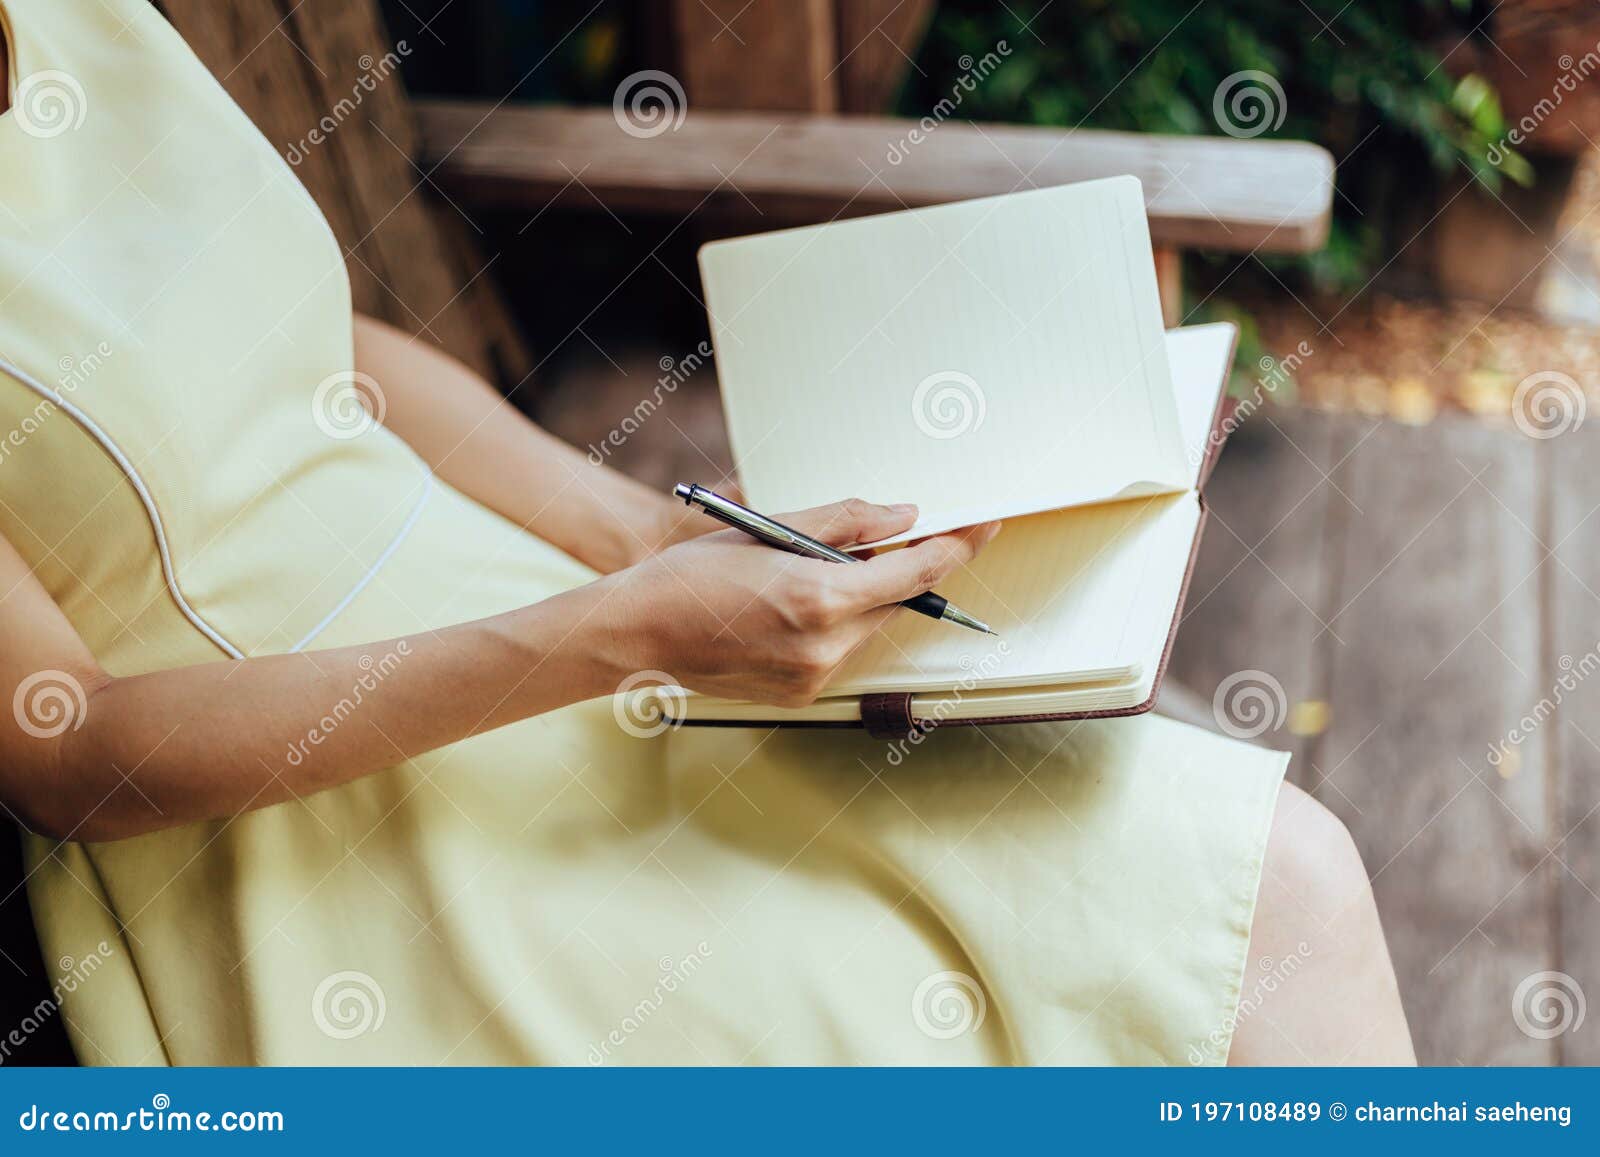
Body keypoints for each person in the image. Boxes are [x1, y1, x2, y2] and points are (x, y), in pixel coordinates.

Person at [0, 0, 1412, 1065]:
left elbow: (336, 351)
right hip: (296, 820)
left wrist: (634, 535)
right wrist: (613, 633)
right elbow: (66, 747)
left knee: (1293, 883)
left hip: (531, 602)